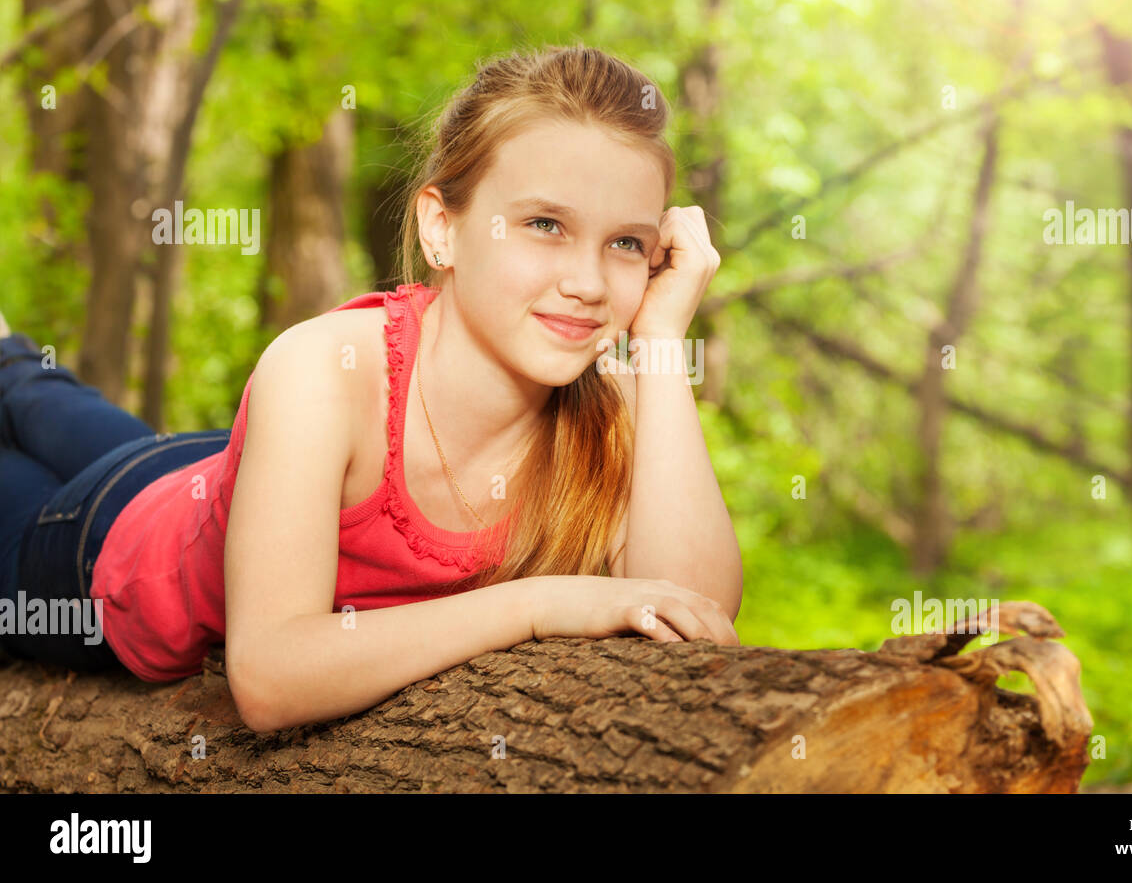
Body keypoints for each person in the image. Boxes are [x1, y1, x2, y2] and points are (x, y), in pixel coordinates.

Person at [0, 45, 742, 733]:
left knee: (50, 404)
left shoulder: (614, 400)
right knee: (35, 424)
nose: (585, 284)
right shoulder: (322, 369)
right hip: (110, 545)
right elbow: (269, 680)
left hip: (222, 475)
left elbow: (691, 617)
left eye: (625, 244)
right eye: (545, 223)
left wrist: (663, 340)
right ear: (440, 229)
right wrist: (539, 605)